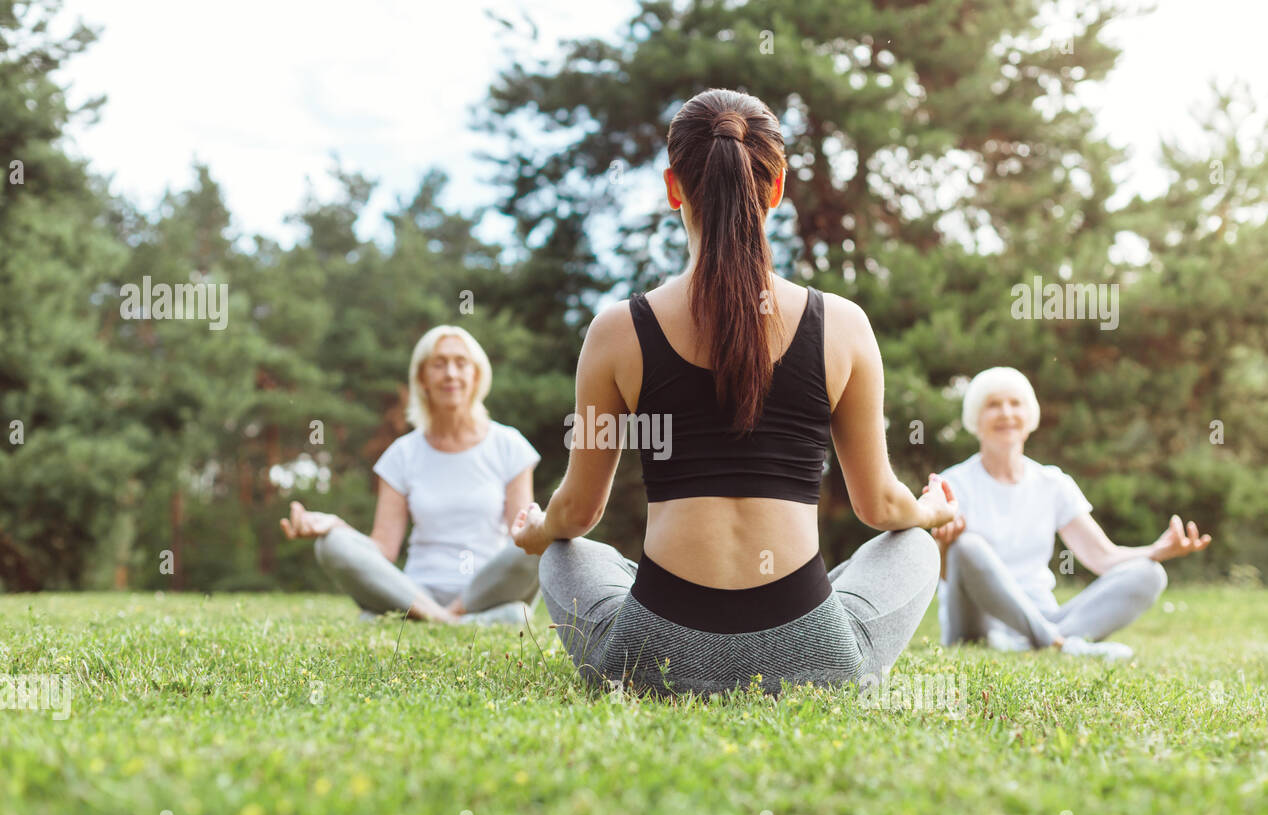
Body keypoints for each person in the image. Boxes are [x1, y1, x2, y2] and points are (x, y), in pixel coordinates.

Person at [509, 88, 956, 697]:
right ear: (775, 190)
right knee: (913, 549)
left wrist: (536, 531)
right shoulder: (843, 324)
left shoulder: (617, 331)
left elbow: (575, 514)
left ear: (675, 188)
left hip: (652, 659)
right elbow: (881, 507)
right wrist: (929, 512)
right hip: (812, 659)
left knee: (565, 554)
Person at [928, 366, 1212, 660]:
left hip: (1047, 615)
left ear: (1030, 417)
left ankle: (1043, 641)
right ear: (975, 418)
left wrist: (1157, 550)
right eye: (993, 405)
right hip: (977, 627)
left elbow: (1103, 558)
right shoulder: (953, 483)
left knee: (1149, 573)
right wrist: (946, 547)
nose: (1006, 413)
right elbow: (948, 575)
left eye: (1015, 404)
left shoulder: (1053, 483)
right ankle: (1055, 644)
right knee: (968, 547)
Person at [281, 325, 542, 626]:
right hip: (416, 592)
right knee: (330, 544)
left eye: (461, 363)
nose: (451, 374)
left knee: (542, 534)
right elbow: (383, 550)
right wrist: (335, 527)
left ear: (477, 376)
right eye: (439, 364)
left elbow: (521, 538)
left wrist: (546, 529)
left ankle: (430, 619)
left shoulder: (510, 446)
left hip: (486, 592)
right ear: (422, 378)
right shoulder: (401, 454)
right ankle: (455, 620)